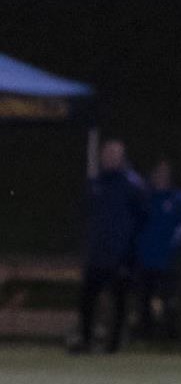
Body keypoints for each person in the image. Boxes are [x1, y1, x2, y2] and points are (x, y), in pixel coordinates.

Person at [72, 139, 144, 354]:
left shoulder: (132, 184)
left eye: (114, 155)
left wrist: (129, 248)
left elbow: (142, 217)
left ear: (121, 158)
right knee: (87, 298)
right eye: (106, 154)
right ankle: (86, 340)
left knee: (119, 301)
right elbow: (86, 214)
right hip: (97, 253)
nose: (109, 158)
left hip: (120, 254)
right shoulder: (96, 183)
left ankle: (114, 345)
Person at [133, 159, 181, 343]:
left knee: (169, 300)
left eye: (164, 173)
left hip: (167, 260)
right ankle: (145, 336)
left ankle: (170, 337)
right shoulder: (145, 198)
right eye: (157, 173)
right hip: (145, 259)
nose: (160, 177)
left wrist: (174, 247)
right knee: (143, 300)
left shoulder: (178, 199)